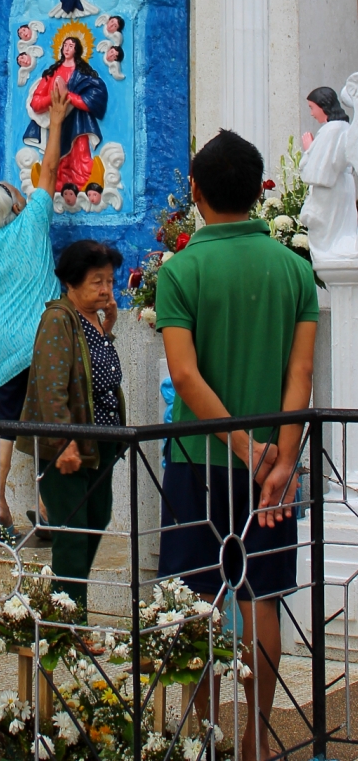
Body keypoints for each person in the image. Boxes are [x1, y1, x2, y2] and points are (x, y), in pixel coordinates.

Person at [155, 129, 318, 761]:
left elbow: (186, 377)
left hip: (200, 460)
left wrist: (244, 448)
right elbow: (298, 376)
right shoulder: (294, 268)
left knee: (196, 598)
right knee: (261, 597)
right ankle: (255, 738)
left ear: (194, 192)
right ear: (258, 192)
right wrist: (278, 457)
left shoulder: (183, 270)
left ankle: (204, 731)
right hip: (270, 471)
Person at [0, 85, 68, 538]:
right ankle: (48, 509)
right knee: (49, 419)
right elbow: (49, 167)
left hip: (7, 344)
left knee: (3, 424)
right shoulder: (33, 222)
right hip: (45, 340)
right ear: (15, 204)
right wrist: (59, 118)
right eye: (15, 189)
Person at [16, 240, 125, 613]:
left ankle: (65, 605)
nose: (106, 290)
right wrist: (65, 441)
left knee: (97, 518)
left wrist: (109, 327)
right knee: (73, 533)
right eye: (97, 282)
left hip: (100, 443)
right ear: (72, 283)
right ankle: (67, 618)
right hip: (71, 445)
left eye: (110, 281)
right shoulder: (59, 319)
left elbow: (95, 370)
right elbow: (50, 383)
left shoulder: (93, 319)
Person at [24, 36, 108, 191]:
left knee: (80, 158)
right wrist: (53, 97)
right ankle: (54, 185)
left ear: (77, 50)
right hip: (57, 121)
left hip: (78, 122)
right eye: (65, 45)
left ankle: (83, 185)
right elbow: (35, 103)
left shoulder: (83, 74)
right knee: (56, 158)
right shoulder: (52, 72)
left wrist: (68, 95)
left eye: (71, 45)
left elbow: (93, 99)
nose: (67, 48)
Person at [300, 85, 355, 261]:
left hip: (330, 192)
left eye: (312, 107)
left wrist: (309, 149)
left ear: (323, 105)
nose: (311, 113)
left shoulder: (332, 130)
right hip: (340, 187)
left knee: (328, 245)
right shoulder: (342, 127)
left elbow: (319, 172)